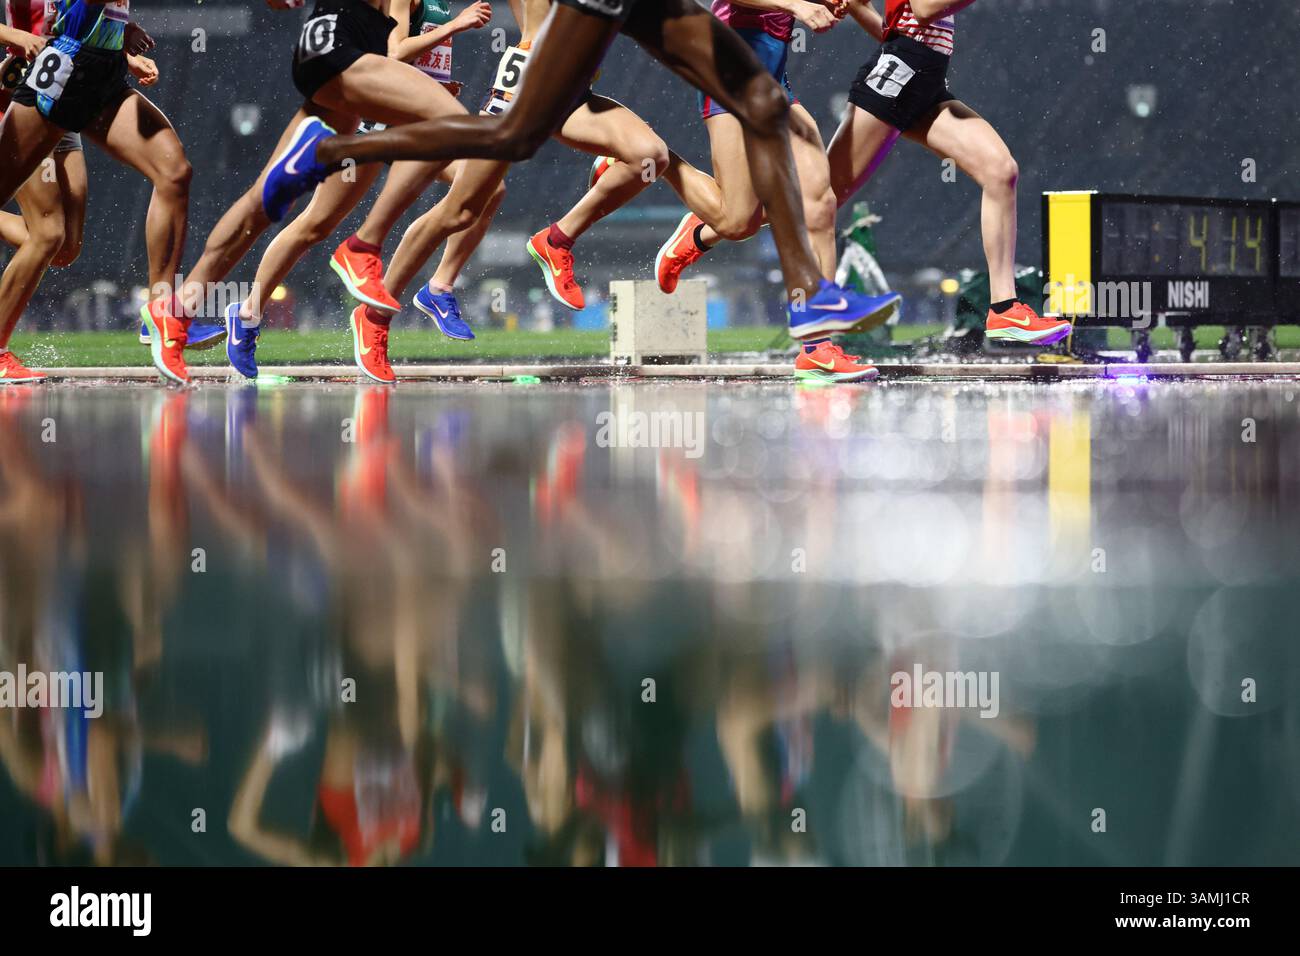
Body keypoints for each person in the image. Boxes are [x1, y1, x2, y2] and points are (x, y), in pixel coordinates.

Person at [262, 0, 903, 343]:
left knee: (743, 108)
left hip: (628, 16)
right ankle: (343, 196)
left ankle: (808, 300)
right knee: (476, 184)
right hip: (556, 49)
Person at [145, 0, 473, 385]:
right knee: (454, 129)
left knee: (265, 203)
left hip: (341, 57)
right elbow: (396, 49)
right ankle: (362, 247)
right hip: (342, 48)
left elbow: (394, 43)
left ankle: (178, 310)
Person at [646, 0, 883, 383]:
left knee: (820, 203)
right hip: (727, 71)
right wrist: (798, 6)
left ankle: (816, 349)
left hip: (773, 78)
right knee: (739, 221)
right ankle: (653, 160)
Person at [827, 0, 1070, 344]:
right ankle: (730, 222)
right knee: (820, 198)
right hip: (897, 74)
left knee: (1001, 171)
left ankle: (1004, 309)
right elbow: (926, 9)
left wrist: (853, 6)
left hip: (925, 82)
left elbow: (895, 27)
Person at [0, 1, 205, 382]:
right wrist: (16, 37)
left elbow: (85, 14)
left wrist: (123, 40)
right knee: (46, 234)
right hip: (40, 78)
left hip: (97, 74)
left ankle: (161, 311)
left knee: (172, 173)